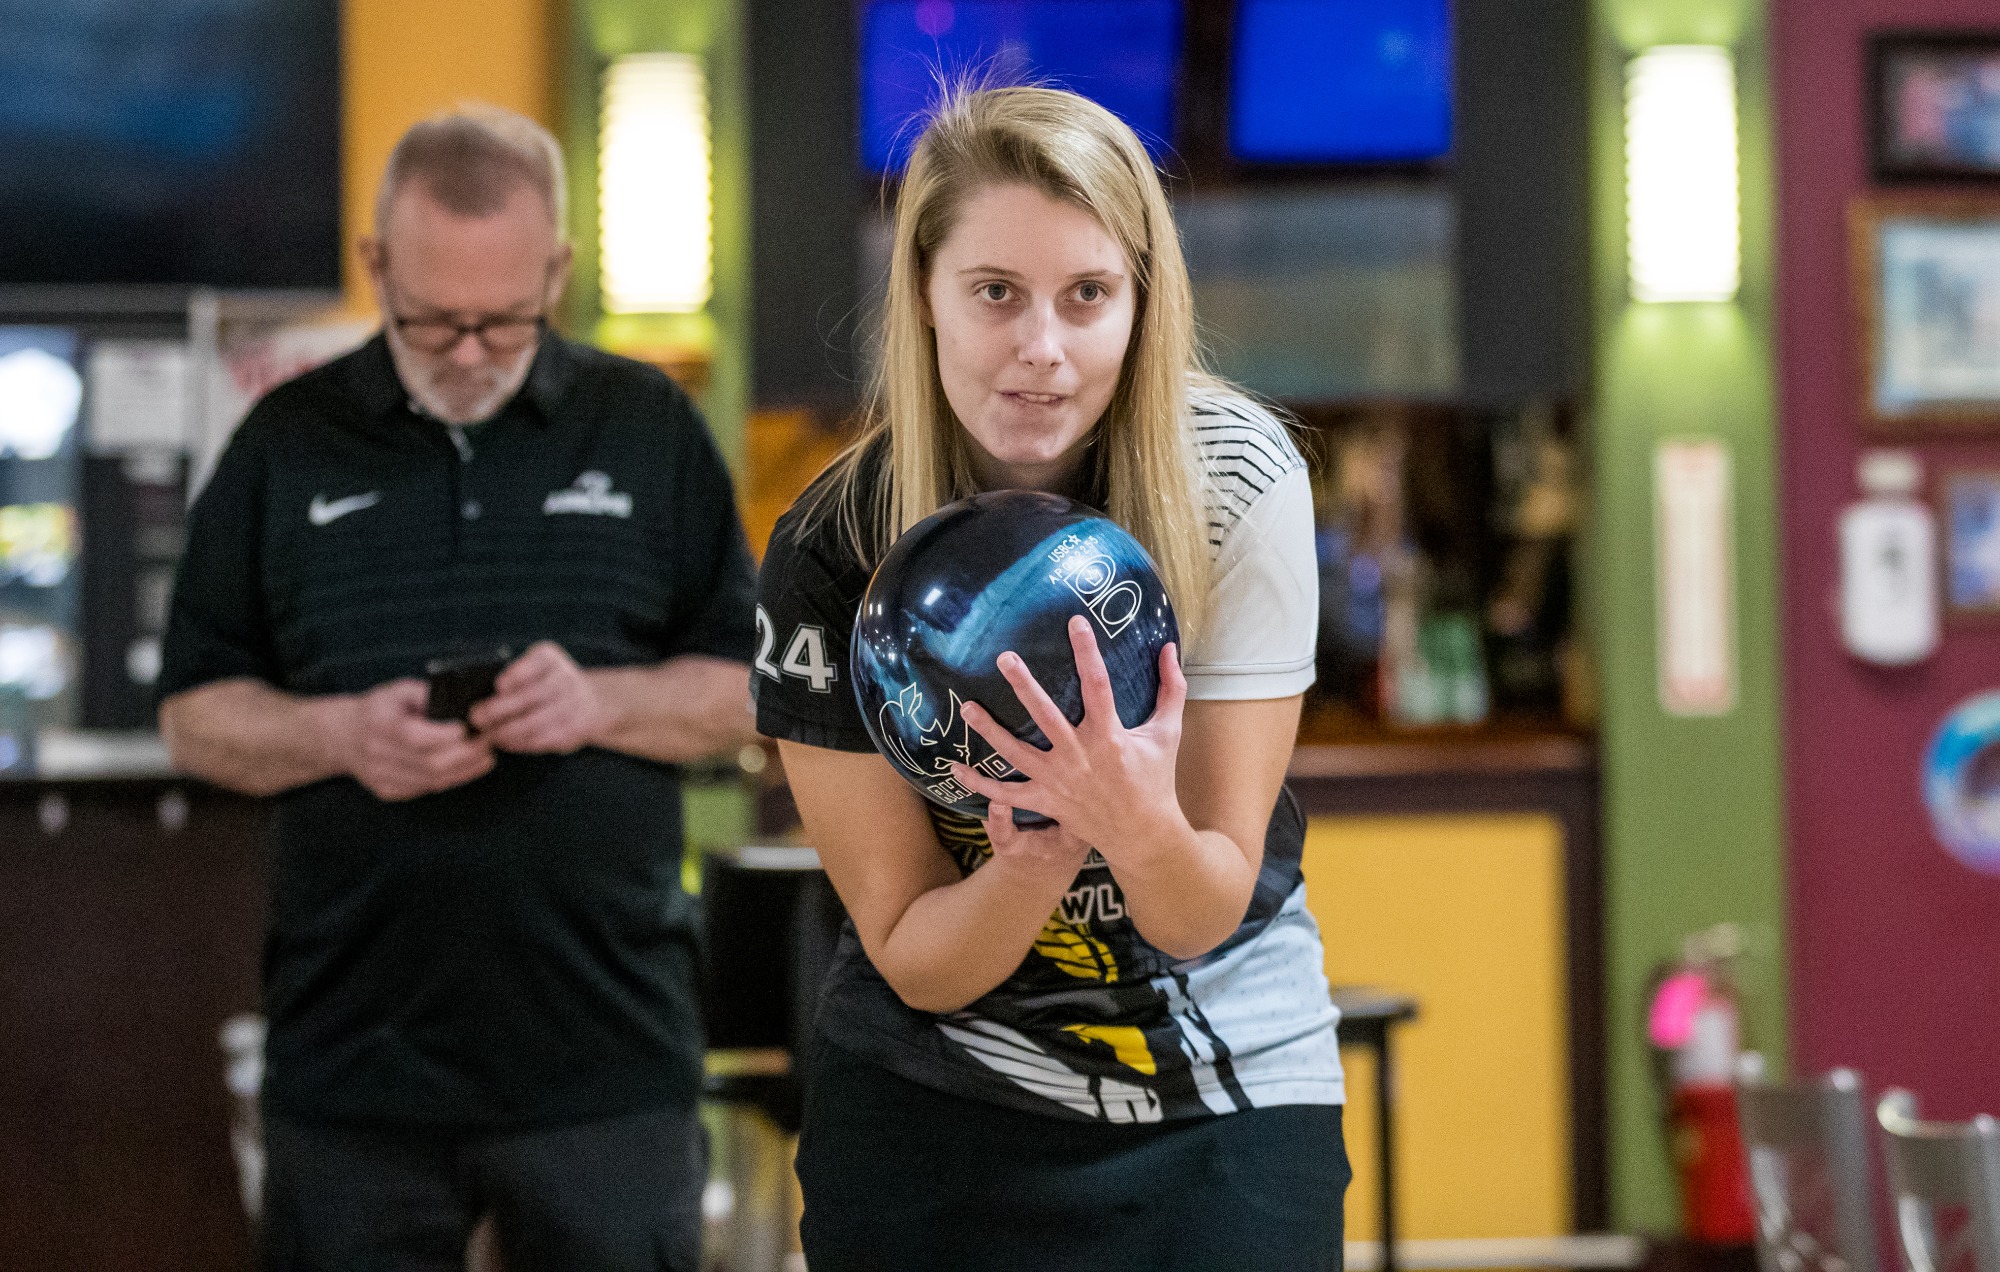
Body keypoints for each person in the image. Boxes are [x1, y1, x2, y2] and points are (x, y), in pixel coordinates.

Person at [754, 86, 1350, 1270]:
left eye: (1087, 296)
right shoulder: (832, 544)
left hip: (1221, 1084)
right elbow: (916, 954)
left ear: (1141, 302)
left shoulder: (1233, 477)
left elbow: (1197, 908)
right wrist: (1035, 851)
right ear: (923, 294)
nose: (1042, 346)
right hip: (932, 1096)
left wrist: (1129, 825)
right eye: (993, 293)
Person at [157, 106, 757, 1272]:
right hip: (353, 1074)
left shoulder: (649, 428)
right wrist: (338, 733)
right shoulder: (284, 443)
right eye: (433, 321)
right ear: (377, 267)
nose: (473, 353)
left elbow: (749, 691)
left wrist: (601, 704)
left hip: (608, 1062)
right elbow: (192, 718)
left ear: (559, 272)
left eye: (505, 320)